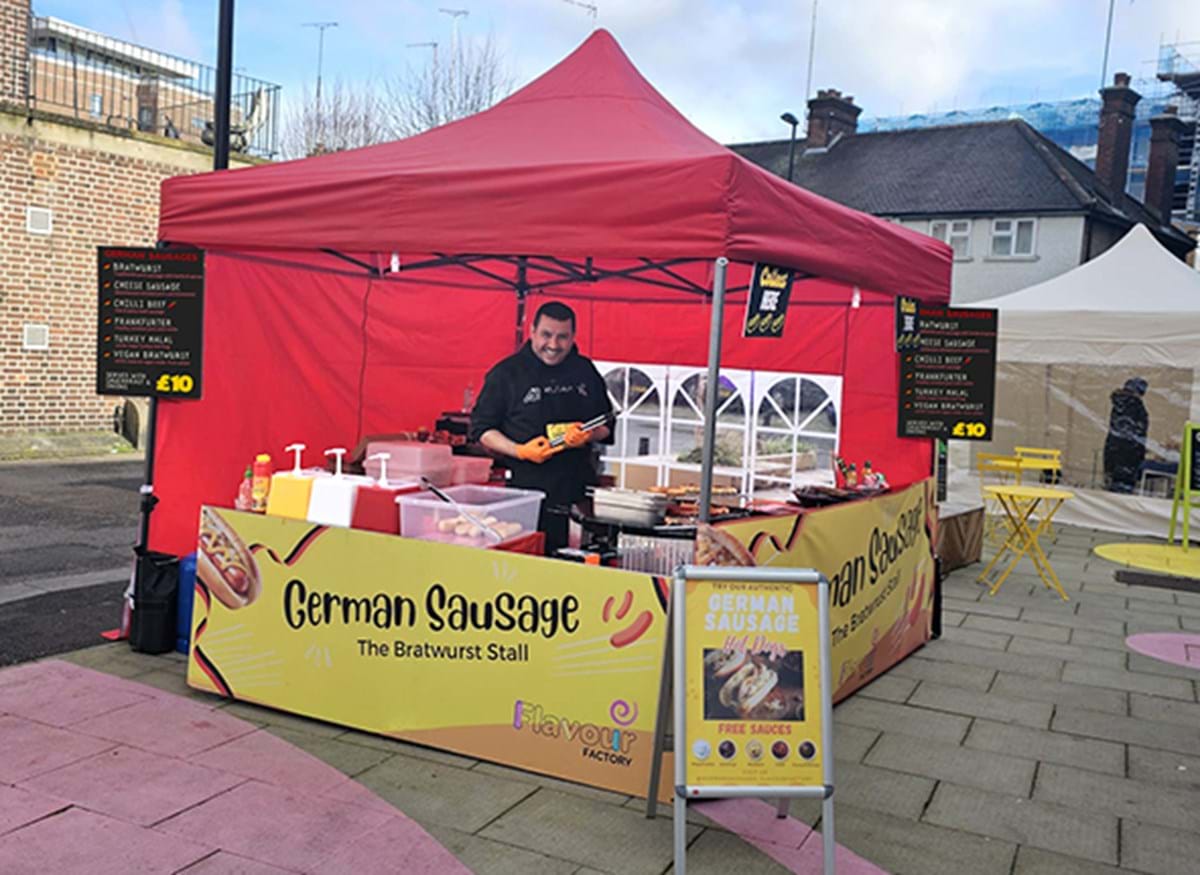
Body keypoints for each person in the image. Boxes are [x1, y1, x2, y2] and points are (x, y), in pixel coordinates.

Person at [470, 302, 612, 553]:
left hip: (578, 491)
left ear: (573, 336)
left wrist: (588, 434)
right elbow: (482, 429)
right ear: (532, 331)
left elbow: (606, 423)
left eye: (562, 337)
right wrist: (520, 450)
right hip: (525, 493)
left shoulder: (584, 370)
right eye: (546, 335)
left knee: (580, 561)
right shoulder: (506, 373)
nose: (554, 345)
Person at [1103, 377, 1149, 494]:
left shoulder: (1119, 404)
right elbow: (1138, 432)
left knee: (1113, 487)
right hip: (1129, 455)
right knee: (1124, 491)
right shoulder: (1135, 406)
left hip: (1113, 451)